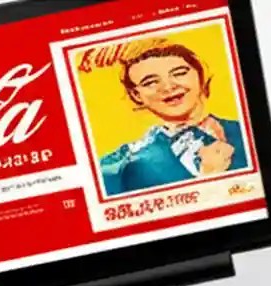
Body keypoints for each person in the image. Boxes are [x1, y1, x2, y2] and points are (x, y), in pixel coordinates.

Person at [98, 43, 248, 196]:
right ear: (136, 95)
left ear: (200, 75)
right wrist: (209, 177)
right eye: (150, 82)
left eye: (179, 73)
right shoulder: (122, 164)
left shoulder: (246, 130)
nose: (168, 87)